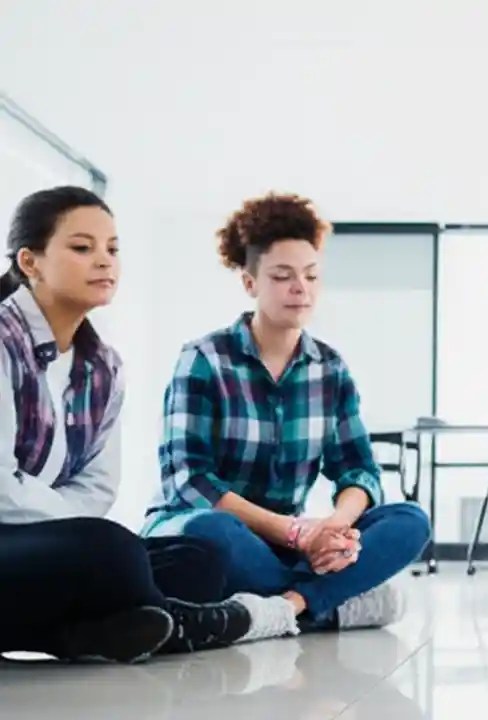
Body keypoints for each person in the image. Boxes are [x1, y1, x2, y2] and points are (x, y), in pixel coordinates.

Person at [0, 186, 281, 663]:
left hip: (46, 539)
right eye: (82, 248)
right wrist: (81, 532)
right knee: (111, 551)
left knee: (198, 559)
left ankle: (89, 631)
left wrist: (74, 530)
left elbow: (97, 485)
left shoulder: (103, 366)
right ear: (31, 262)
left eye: (112, 249)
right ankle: (172, 621)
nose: (104, 262)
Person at [141, 192, 431, 635]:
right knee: (214, 533)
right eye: (283, 276)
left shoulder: (329, 369)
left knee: (410, 520)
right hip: (216, 533)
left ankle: (286, 607)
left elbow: (359, 472)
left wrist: (331, 531)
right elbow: (190, 481)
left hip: (285, 546)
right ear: (249, 282)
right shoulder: (203, 359)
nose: (302, 288)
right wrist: (298, 535)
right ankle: (334, 604)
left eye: (312, 275)